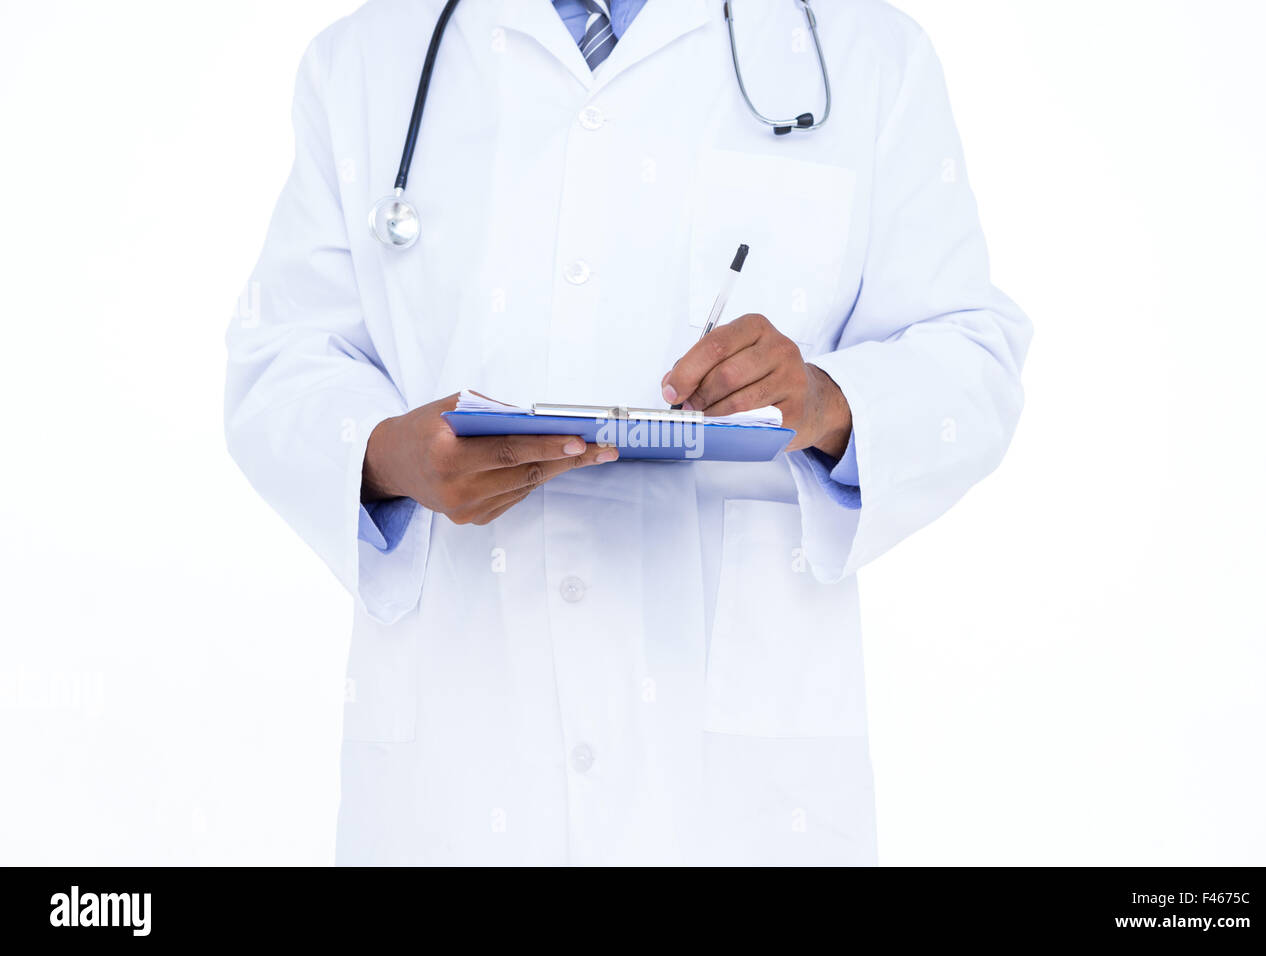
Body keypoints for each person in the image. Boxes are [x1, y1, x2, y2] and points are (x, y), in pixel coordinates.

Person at [225, 0, 1031, 865]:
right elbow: (282, 364)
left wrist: (825, 399)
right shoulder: (367, 60)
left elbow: (971, 358)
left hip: (738, 800)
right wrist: (388, 456)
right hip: (457, 781)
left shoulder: (863, 51)